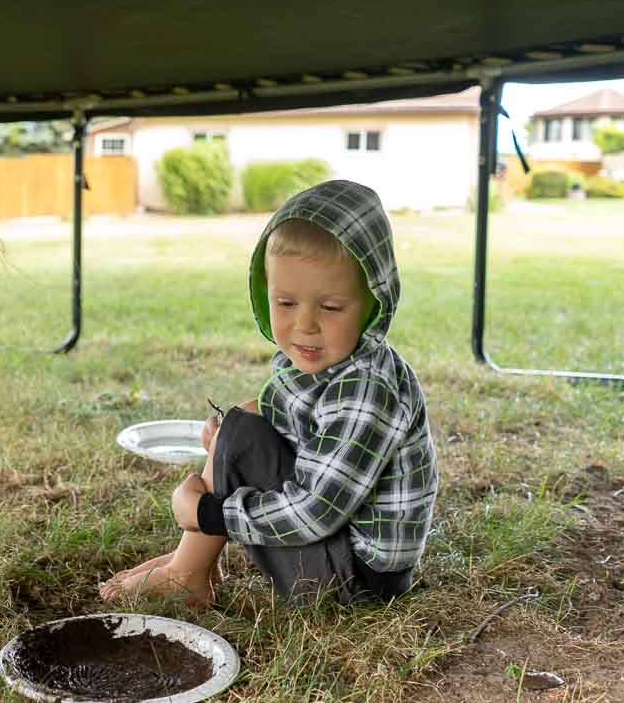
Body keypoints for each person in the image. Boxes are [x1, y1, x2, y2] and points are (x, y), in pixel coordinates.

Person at [100, 179, 437, 607]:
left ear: (373, 301)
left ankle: (187, 571)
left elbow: (316, 510)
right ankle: (190, 564)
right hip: (340, 552)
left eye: (331, 307)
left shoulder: (368, 391)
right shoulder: (327, 361)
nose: (305, 324)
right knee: (242, 420)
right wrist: (226, 439)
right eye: (285, 303)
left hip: (357, 580)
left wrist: (208, 514)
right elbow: (283, 418)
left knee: (242, 431)